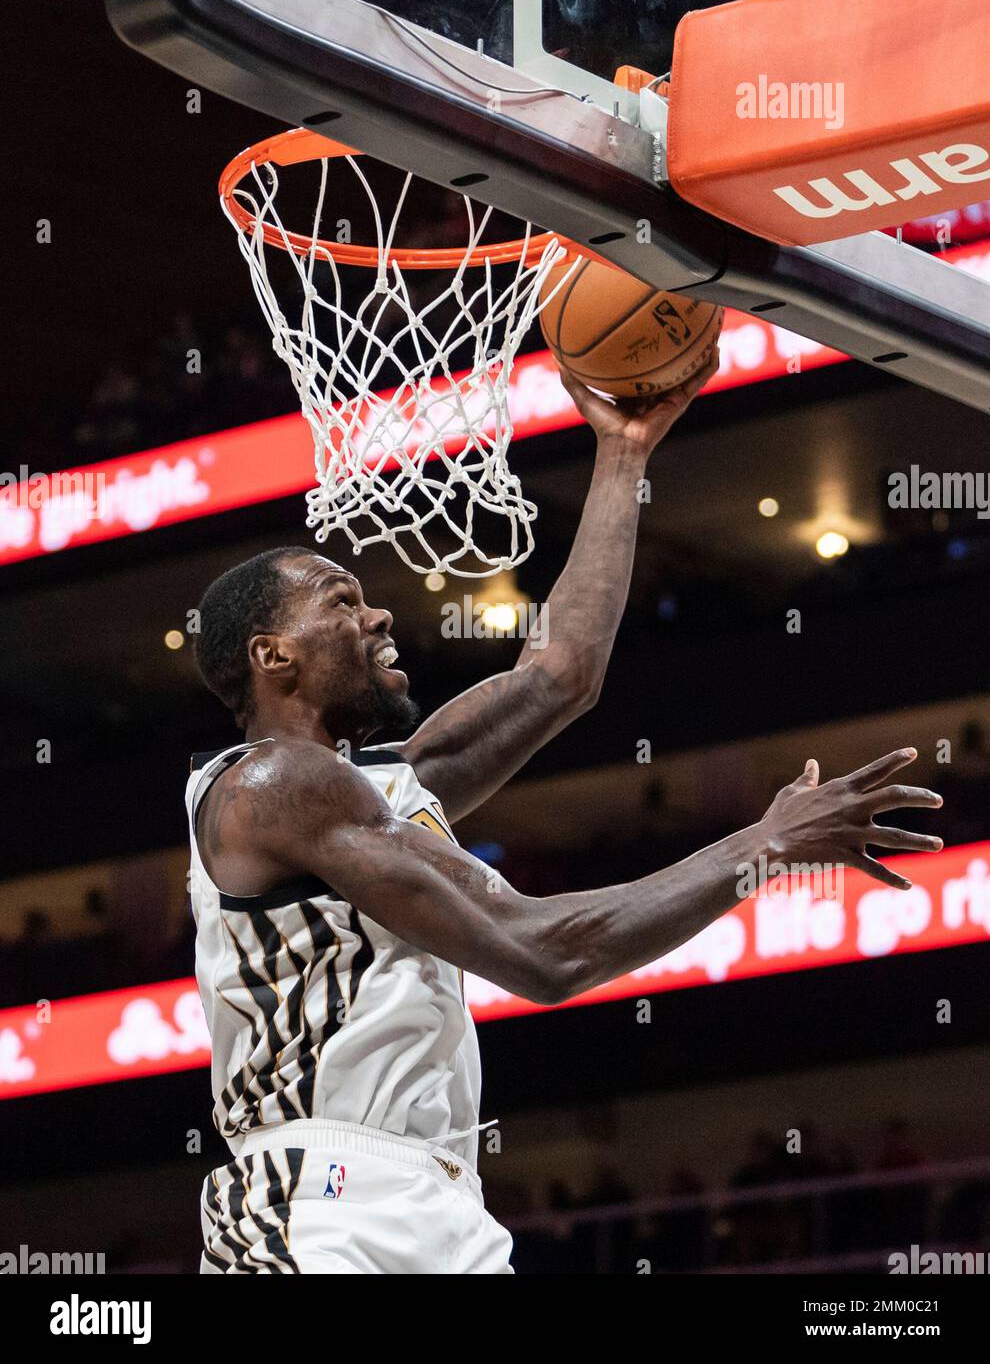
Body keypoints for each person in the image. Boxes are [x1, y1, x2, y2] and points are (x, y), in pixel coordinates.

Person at [186, 356, 943, 1273]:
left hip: (439, 1196)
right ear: (273, 656)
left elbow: (563, 673)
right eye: (342, 602)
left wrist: (623, 453)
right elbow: (546, 953)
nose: (380, 614)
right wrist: (765, 844)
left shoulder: (377, 783)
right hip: (317, 1196)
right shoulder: (273, 786)